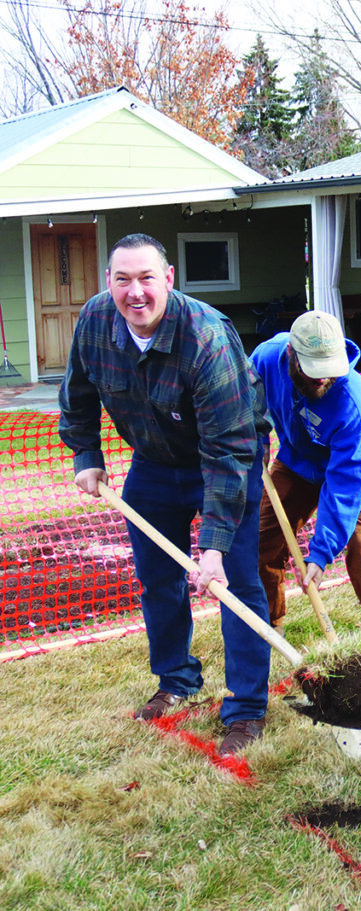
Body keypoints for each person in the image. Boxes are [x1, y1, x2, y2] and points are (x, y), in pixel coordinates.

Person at [58, 233, 272, 757]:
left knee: (236, 582)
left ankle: (246, 708)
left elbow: (227, 453)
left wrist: (214, 548)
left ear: (169, 279)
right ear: (108, 283)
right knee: (158, 576)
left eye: (147, 278)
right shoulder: (94, 321)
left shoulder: (206, 339)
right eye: (123, 279)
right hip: (154, 460)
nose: (136, 292)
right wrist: (87, 455)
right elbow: (77, 394)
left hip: (226, 459)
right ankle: (177, 678)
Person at [250, 311, 361, 650]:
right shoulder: (265, 358)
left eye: (329, 369)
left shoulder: (352, 399)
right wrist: (259, 440)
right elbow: (248, 402)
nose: (322, 380)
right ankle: (269, 628)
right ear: (291, 354)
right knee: (261, 538)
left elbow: (345, 483)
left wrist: (320, 554)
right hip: (298, 456)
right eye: (313, 370)